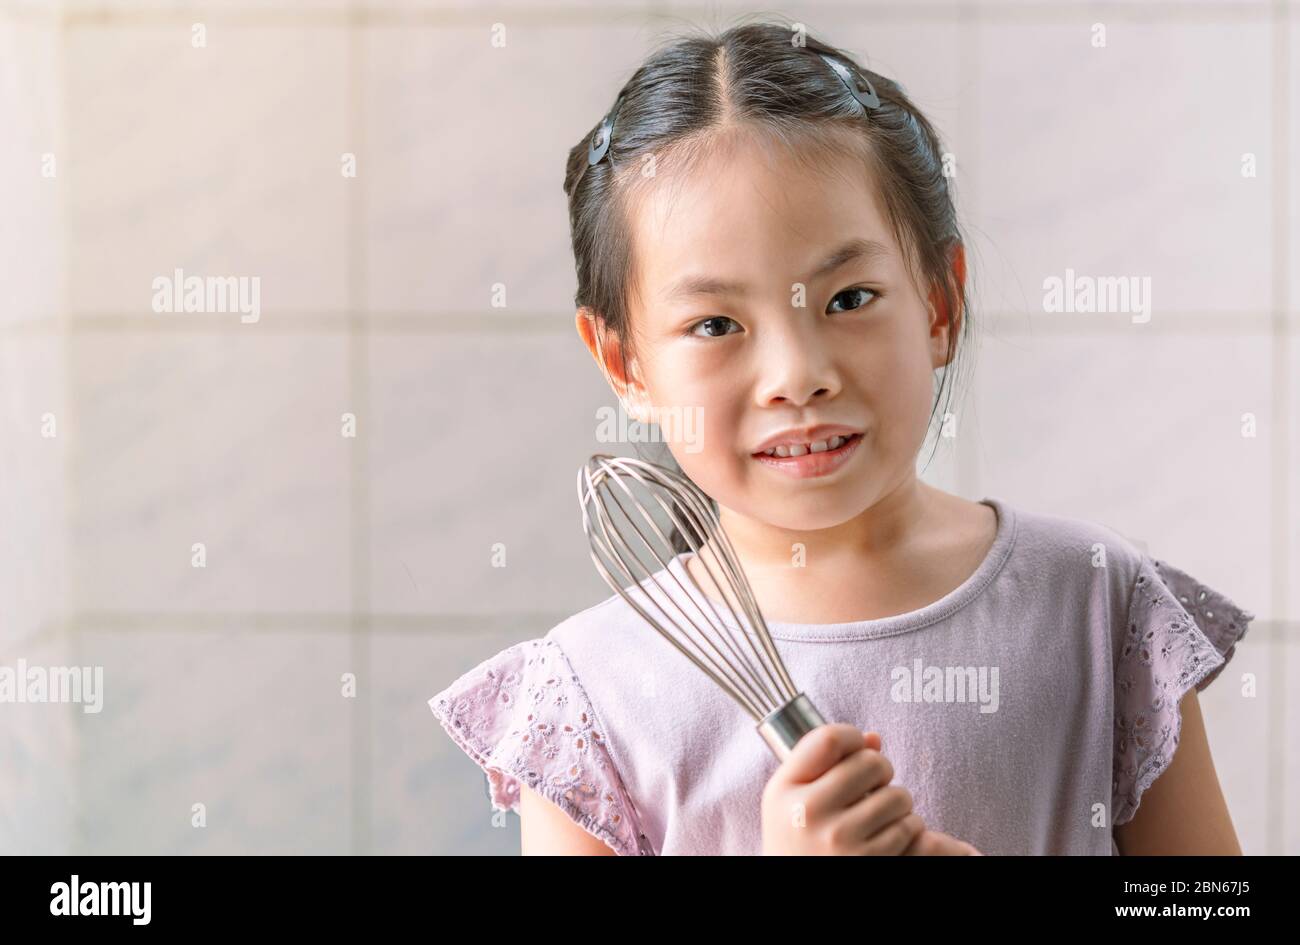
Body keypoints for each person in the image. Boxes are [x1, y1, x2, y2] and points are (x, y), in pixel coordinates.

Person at [430, 20, 1253, 856]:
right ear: (626, 362)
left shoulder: (1094, 601)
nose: (797, 373)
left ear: (938, 303)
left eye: (849, 299)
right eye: (716, 322)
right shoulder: (591, 698)